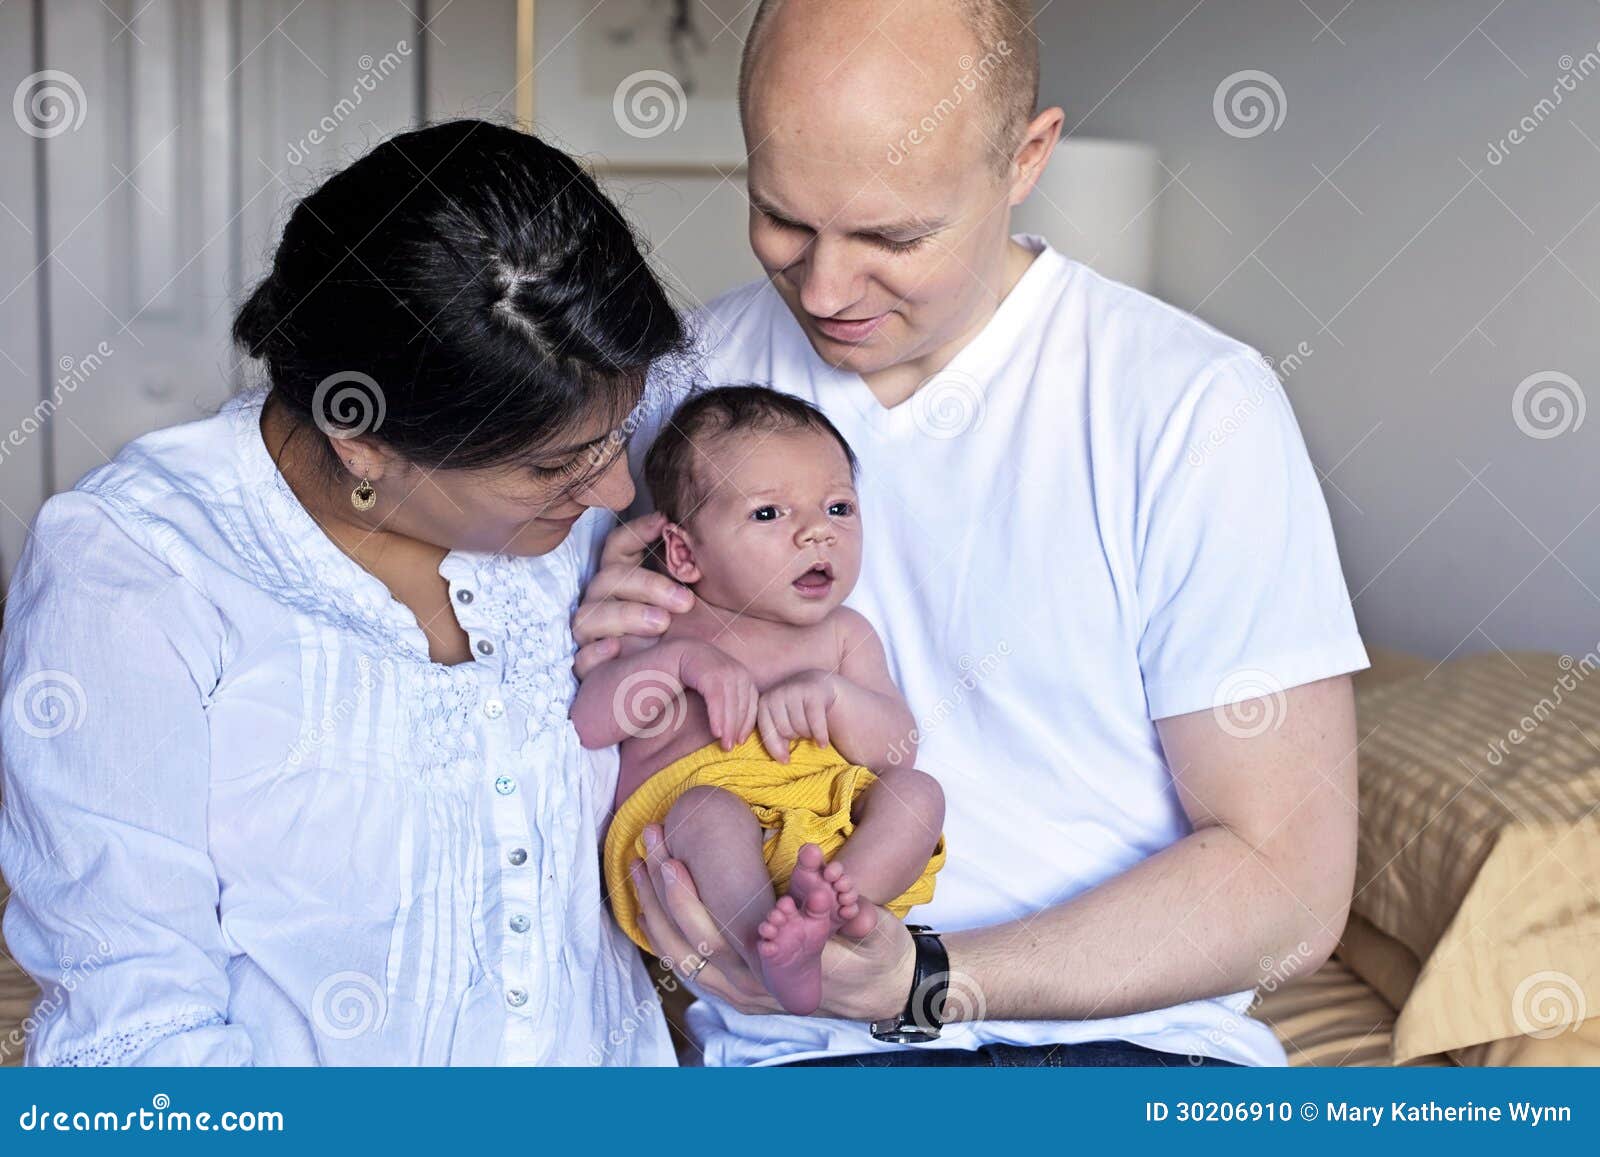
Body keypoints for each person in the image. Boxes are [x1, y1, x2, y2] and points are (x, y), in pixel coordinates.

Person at [573, 0, 1367, 1067]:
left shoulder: (1190, 406)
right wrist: (591, 635)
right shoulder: (678, 385)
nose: (824, 287)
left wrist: (930, 977)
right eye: (782, 220)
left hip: (1131, 1048)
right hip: (801, 1060)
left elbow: (1289, 889)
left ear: (1027, 156)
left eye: (891, 236)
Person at [0, 120, 687, 1065]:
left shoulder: (579, 535)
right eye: (556, 468)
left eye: (622, 438)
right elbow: (132, 1040)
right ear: (360, 437)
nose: (615, 488)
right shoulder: (139, 571)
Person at [572, 386, 946, 1016]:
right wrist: (680, 663)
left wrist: (835, 698)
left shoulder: (843, 636)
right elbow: (589, 724)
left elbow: (897, 750)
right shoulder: (662, 621)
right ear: (685, 554)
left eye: (838, 508)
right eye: (770, 514)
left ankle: (830, 910)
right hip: (695, 847)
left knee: (920, 796)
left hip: (825, 830)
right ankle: (764, 945)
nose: (816, 535)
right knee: (706, 813)